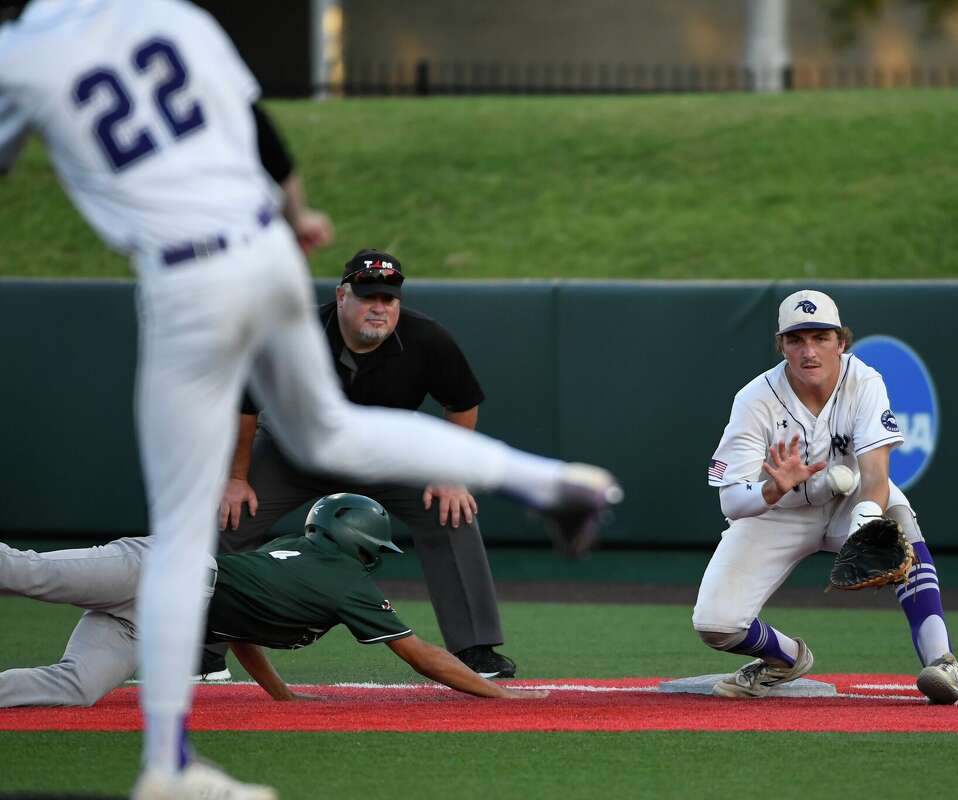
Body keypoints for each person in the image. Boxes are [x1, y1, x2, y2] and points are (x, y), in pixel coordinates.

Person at [0, 2, 619, 797]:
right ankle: (548, 480)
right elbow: (263, 134)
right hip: (264, 251)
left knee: (185, 538)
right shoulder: (176, 21)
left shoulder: (23, 53)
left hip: (185, 278)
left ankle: (170, 765)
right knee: (335, 433)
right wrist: (298, 214)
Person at [208, 248, 514, 681]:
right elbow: (246, 406)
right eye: (368, 296)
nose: (379, 308)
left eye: (388, 299)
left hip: (384, 454)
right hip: (296, 449)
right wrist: (237, 479)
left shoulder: (427, 339)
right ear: (341, 296)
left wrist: (449, 474)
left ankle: (475, 650)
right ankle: (203, 651)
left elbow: (462, 405)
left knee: (450, 511)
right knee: (227, 518)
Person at [0, 494, 548, 708]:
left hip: (156, 619)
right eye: (372, 545)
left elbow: (241, 627)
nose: (374, 557)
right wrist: (496, 696)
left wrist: (282, 694)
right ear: (354, 538)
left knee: (76, 687)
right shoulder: (345, 581)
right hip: (163, 570)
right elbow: (419, 653)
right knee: (28, 572)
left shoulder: (292, 549)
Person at [691, 289, 958, 703]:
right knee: (715, 624)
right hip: (777, 512)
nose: (809, 351)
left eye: (820, 337)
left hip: (849, 501)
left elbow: (876, 472)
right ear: (781, 345)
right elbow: (731, 502)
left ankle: (942, 663)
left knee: (899, 523)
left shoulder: (865, 381)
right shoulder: (754, 399)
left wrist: (866, 524)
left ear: (841, 341)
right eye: (797, 339)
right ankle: (784, 658)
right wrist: (773, 487)